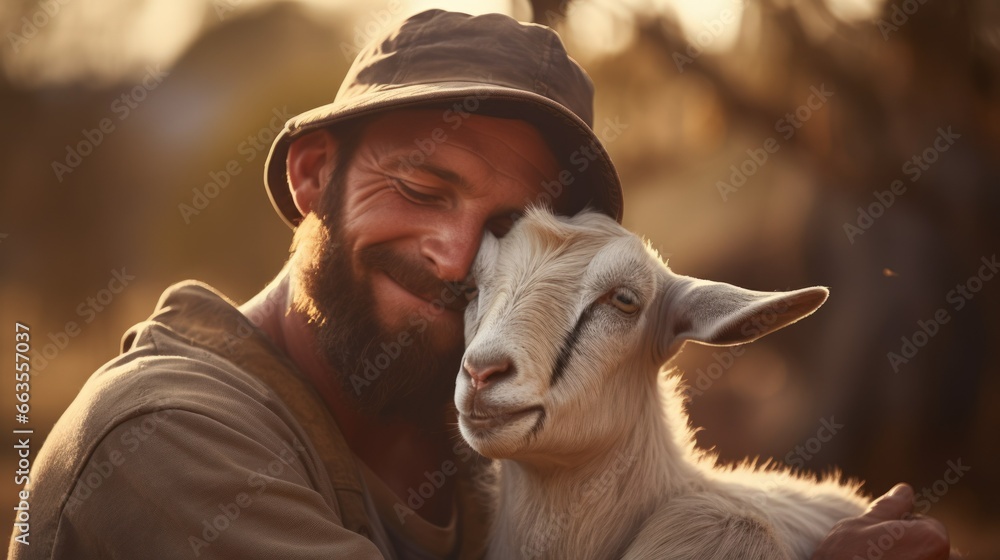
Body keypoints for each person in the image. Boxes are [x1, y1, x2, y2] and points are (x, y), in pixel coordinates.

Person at [9, 9, 954, 560]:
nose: (461, 257)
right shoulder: (169, 440)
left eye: (507, 232)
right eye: (420, 189)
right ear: (311, 176)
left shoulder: (462, 443)